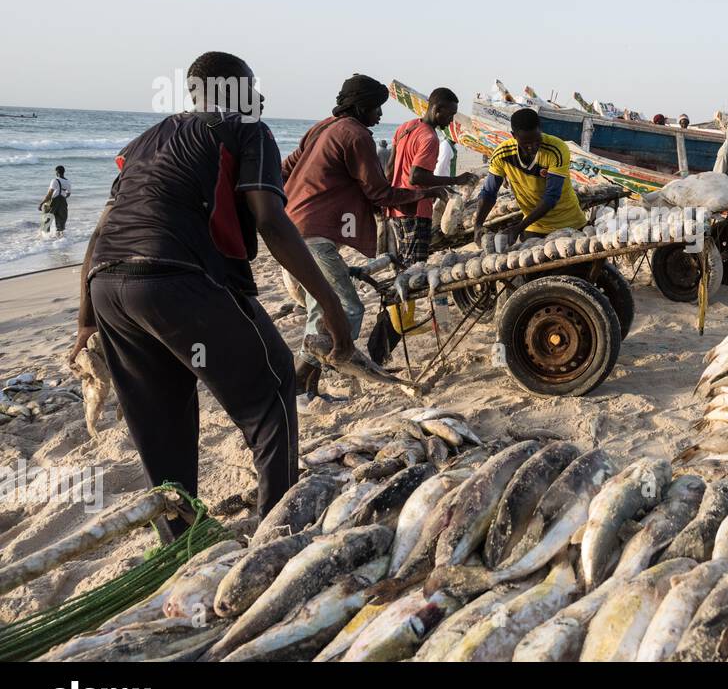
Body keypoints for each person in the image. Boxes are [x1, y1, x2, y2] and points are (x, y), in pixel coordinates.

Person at [68, 51, 354, 537]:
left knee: (165, 427)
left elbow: (100, 233)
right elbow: (270, 221)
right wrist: (330, 307)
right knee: (272, 386)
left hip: (109, 284)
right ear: (237, 90)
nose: (259, 96)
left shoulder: (146, 139)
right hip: (175, 276)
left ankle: (181, 543)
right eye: (252, 87)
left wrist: (86, 321)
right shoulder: (246, 130)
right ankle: (276, 529)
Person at [282, 73, 446, 402]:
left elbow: (285, 169)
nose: (381, 117)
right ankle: (313, 374)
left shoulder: (322, 127)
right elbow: (378, 192)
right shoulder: (356, 134)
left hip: (292, 229)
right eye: (376, 109)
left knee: (319, 308)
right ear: (360, 108)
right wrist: (423, 194)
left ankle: (303, 388)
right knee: (347, 308)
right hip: (315, 235)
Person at [384, 87, 476, 266]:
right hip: (416, 209)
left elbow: (389, 169)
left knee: (402, 261)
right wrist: (455, 180)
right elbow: (416, 177)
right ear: (437, 109)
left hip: (396, 206)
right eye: (450, 115)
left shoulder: (405, 127)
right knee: (415, 266)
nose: (451, 121)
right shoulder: (429, 137)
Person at [473, 107, 588, 245]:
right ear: (514, 135)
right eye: (526, 143)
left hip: (570, 222)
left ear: (540, 129)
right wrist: (478, 225)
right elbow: (489, 193)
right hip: (535, 226)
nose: (533, 147)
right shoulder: (502, 155)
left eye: (536, 140)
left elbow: (551, 197)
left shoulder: (557, 149)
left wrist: (518, 227)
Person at [39, 165, 71, 236]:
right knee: (61, 221)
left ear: (57, 172)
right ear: (64, 172)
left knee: (47, 219)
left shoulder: (55, 180)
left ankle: (45, 239)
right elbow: (68, 194)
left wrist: (41, 204)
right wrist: (63, 198)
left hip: (54, 201)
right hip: (63, 202)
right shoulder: (68, 181)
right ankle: (60, 238)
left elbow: (49, 194)